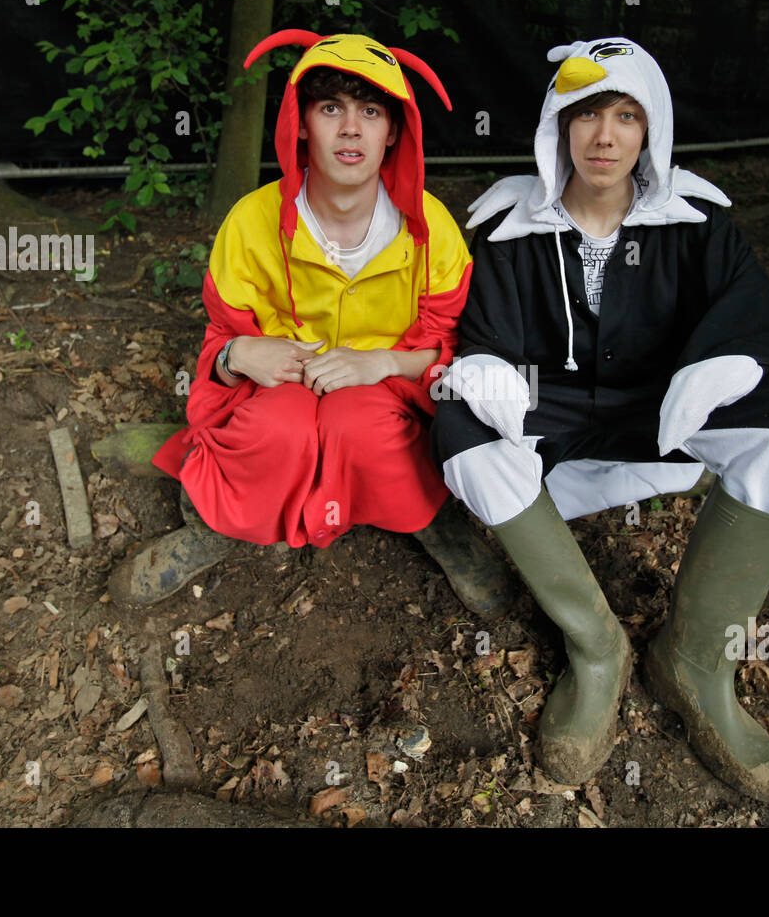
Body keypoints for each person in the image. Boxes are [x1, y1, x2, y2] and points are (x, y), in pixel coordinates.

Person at [430, 37, 769, 800]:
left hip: (660, 408)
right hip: (557, 411)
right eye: (584, 115)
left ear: (651, 131)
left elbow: (762, 321)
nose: (604, 136)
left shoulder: (696, 220)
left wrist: (718, 366)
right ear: (558, 126)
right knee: (457, 415)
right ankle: (596, 645)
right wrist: (488, 377)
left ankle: (698, 661)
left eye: (626, 116)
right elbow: (485, 344)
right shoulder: (510, 231)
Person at [110, 30, 512, 618]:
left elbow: (452, 347)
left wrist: (381, 363)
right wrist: (240, 353)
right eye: (331, 109)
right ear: (300, 123)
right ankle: (223, 521)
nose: (351, 129)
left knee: (366, 428)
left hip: (386, 393)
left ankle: (434, 522)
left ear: (393, 130)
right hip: (280, 390)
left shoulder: (432, 229)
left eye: (370, 111)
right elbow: (222, 339)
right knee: (278, 428)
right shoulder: (250, 224)